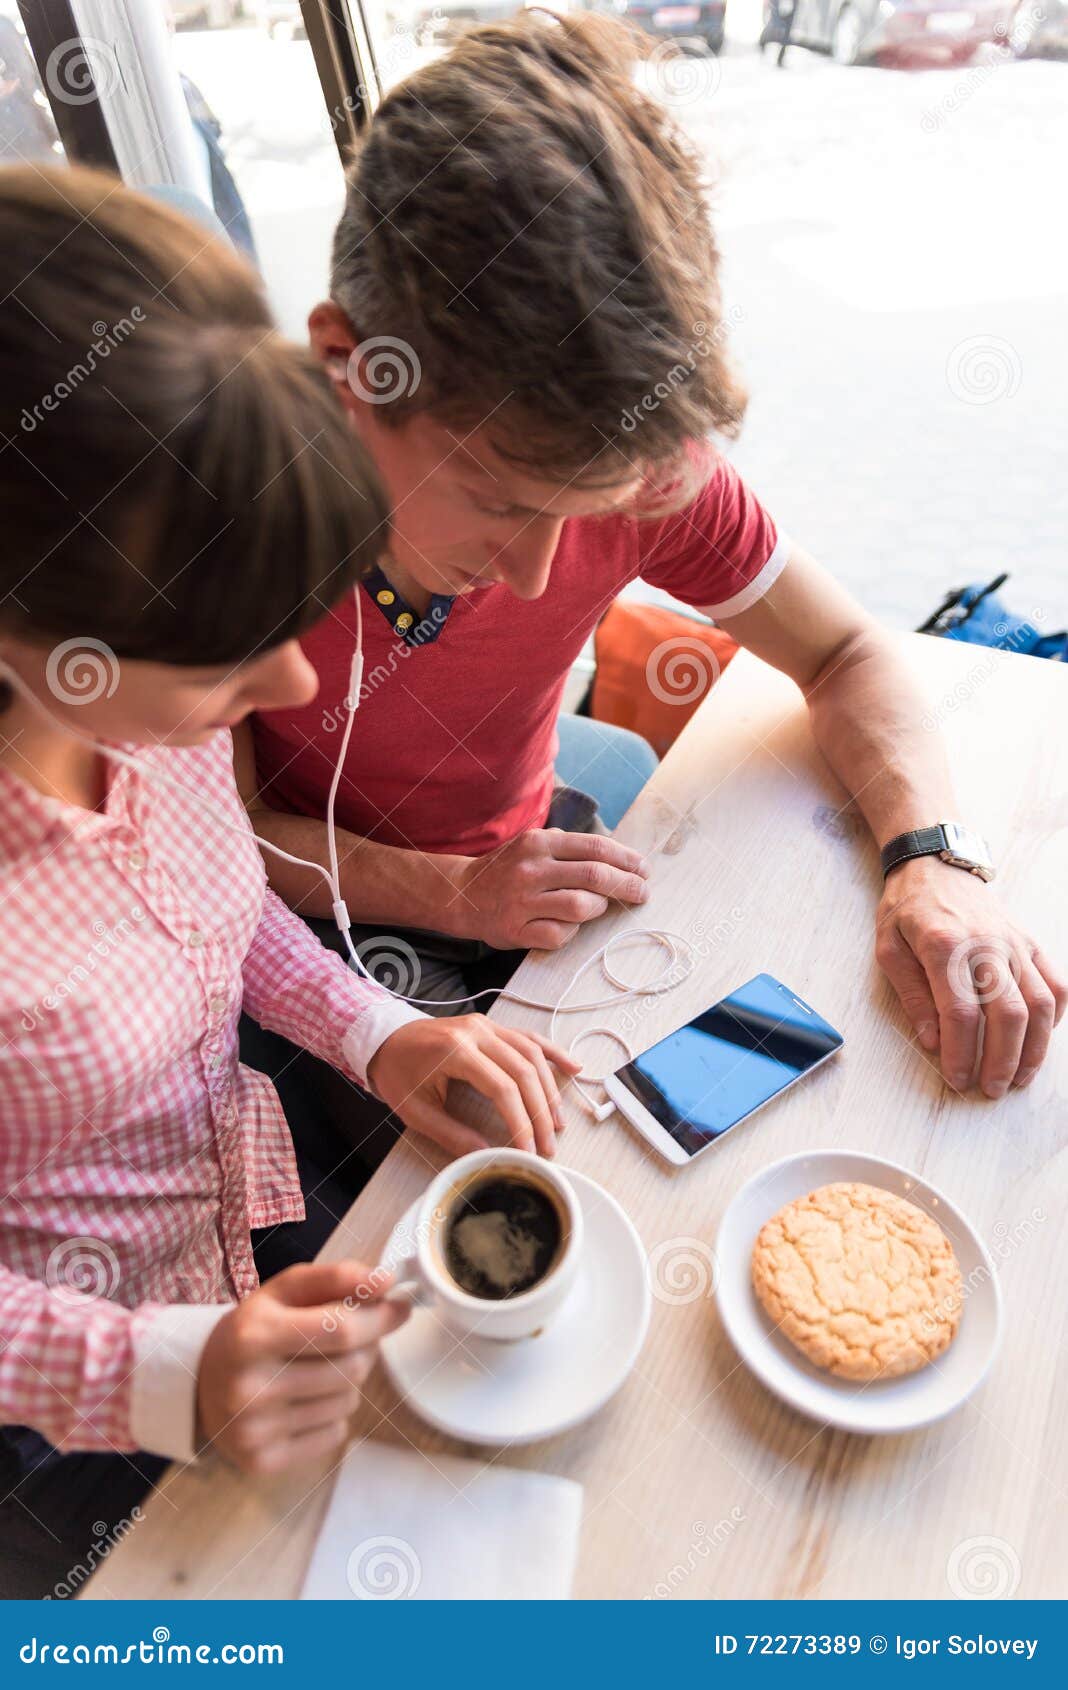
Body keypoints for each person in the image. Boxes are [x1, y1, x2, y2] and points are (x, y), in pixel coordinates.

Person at [238, 11, 1065, 1125]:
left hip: (521, 872)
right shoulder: (214, 504)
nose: (536, 578)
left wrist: (932, 859)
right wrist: (452, 892)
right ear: (352, 366)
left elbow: (844, 650)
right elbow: (209, 839)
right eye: (497, 503)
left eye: (581, 512)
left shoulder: (640, 460)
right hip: (295, 930)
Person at [0, 163, 576, 1599]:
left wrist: (373, 1028)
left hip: (241, 1208)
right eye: (227, 656)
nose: (297, 681)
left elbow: (214, 908)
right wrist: (145, 1375)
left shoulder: (136, 708)